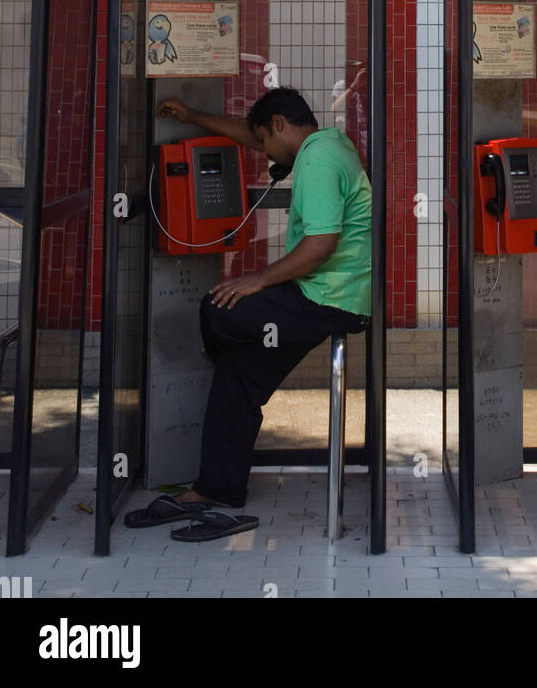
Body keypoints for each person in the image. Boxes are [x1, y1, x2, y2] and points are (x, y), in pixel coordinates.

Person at [124, 85, 371, 542]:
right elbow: (249, 135)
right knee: (237, 378)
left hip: (327, 298)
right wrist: (195, 115)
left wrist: (257, 279)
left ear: (278, 125)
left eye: (264, 141)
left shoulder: (316, 162)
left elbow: (320, 245)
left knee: (218, 309)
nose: (262, 152)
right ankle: (216, 491)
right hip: (331, 294)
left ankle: (229, 352)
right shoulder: (331, 142)